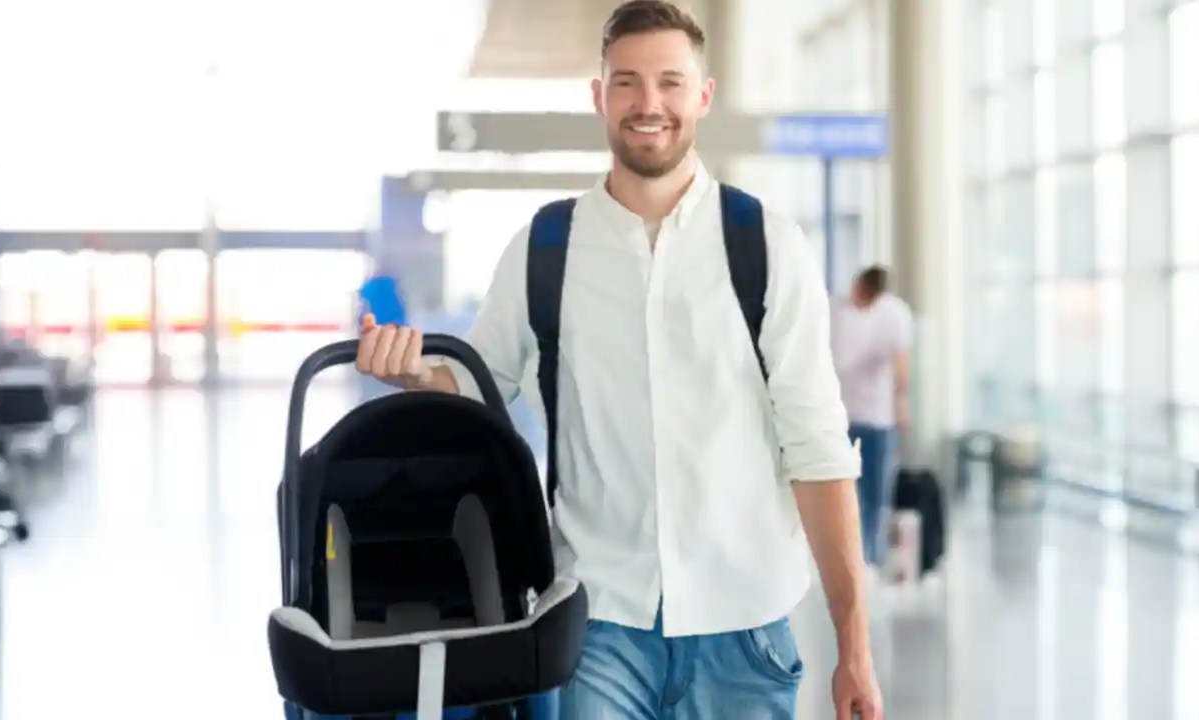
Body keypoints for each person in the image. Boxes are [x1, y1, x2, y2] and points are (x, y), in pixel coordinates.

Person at [356, 2, 883, 718]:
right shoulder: (547, 248)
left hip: (744, 626)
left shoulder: (766, 245)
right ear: (600, 97)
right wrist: (417, 375)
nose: (649, 104)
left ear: (702, 94)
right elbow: (479, 386)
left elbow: (818, 452)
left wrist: (853, 643)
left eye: (670, 81)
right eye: (627, 82)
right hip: (601, 622)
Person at [829, 266, 914, 568]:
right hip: (840, 415)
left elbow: (901, 364)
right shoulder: (837, 309)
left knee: (876, 492)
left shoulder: (893, 315)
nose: (857, 298)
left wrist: (901, 404)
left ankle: (872, 558)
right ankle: (849, 556)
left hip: (878, 417)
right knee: (843, 491)